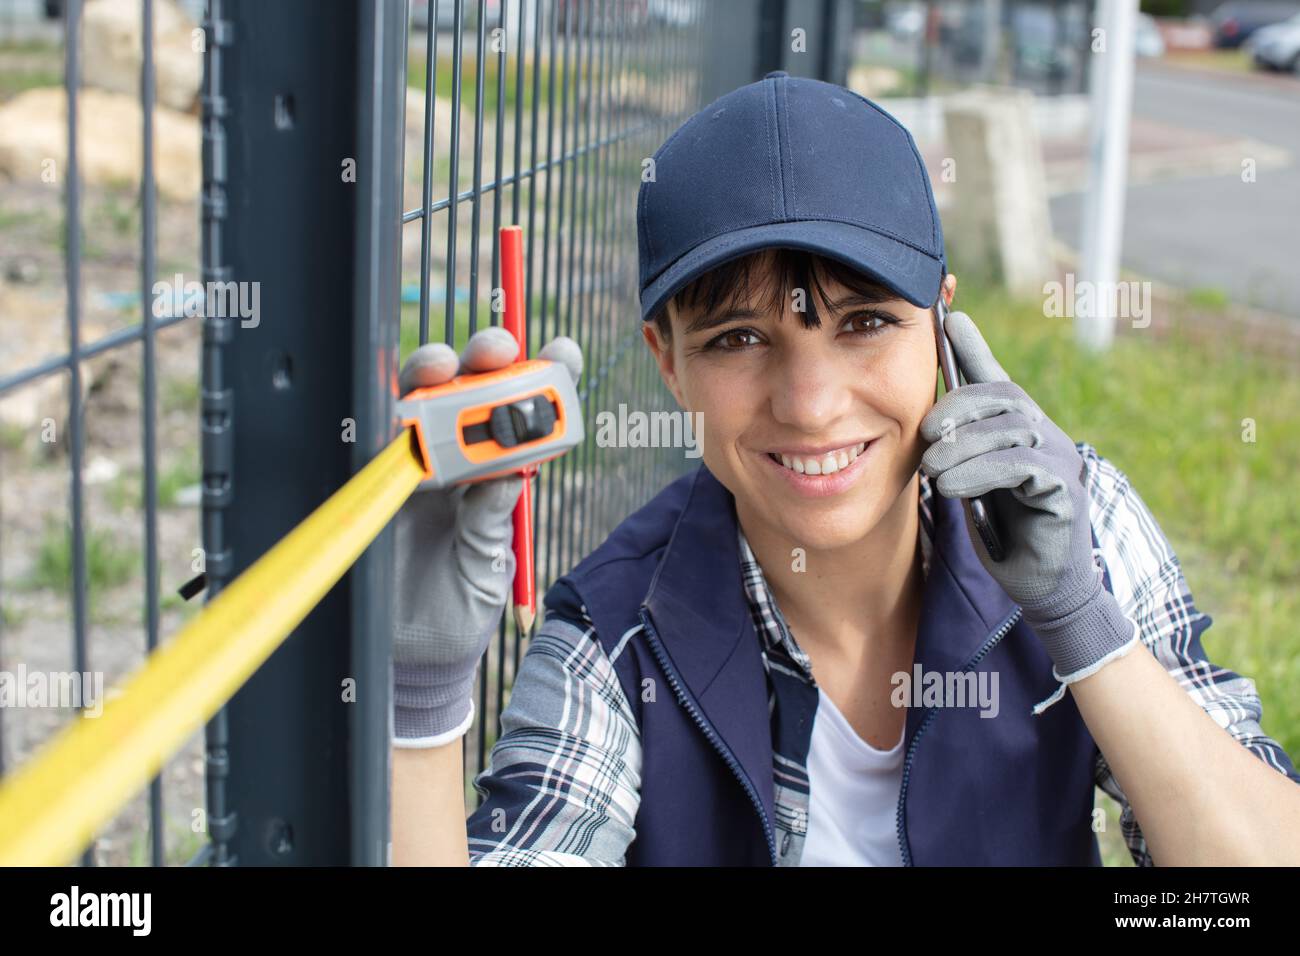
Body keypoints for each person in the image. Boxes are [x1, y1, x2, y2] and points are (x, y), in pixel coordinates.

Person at [388, 72, 1300, 866]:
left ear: (942, 322)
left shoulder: (1073, 522)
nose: (812, 403)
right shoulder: (617, 638)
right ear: (666, 362)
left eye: (864, 322)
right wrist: (422, 708)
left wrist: (1080, 620)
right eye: (740, 339)